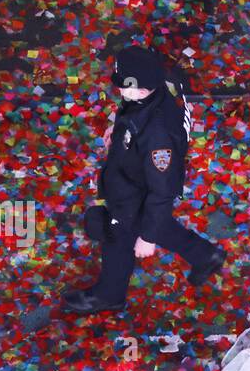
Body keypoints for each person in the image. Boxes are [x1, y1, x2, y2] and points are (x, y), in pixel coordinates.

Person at [61, 45, 224, 314]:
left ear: (143, 88)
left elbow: (162, 189)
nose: (121, 91)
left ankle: (109, 295)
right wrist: (120, 128)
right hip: (131, 175)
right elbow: (135, 112)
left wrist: (148, 238)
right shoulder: (150, 94)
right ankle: (205, 256)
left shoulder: (158, 137)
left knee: (118, 236)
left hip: (136, 189)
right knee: (139, 224)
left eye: (126, 86)